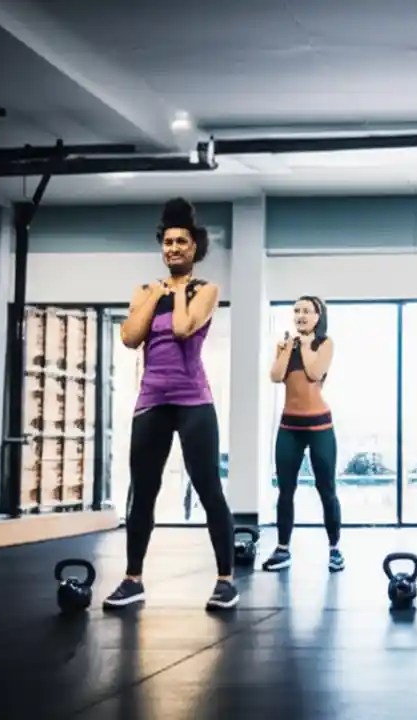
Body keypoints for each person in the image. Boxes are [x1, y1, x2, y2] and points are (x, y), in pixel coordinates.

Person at [104, 198, 238, 611]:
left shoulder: (206, 290)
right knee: (142, 491)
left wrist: (177, 291)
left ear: (194, 247)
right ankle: (132, 579)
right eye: (167, 242)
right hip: (152, 401)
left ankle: (225, 580)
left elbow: (182, 329)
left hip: (194, 400)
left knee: (208, 488)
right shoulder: (145, 291)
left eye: (181, 241)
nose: (173, 248)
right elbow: (129, 337)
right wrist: (155, 295)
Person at [261, 296, 344, 573]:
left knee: (326, 490)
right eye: (296, 311)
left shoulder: (325, 344)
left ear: (318, 316)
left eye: (306, 311)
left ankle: (334, 549)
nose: (300, 315)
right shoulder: (286, 345)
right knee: (285, 491)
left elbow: (314, 372)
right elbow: (274, 376)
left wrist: (306, 346)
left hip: (320, 427)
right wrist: (285, 350)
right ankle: (283, 549)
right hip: (290, 427)